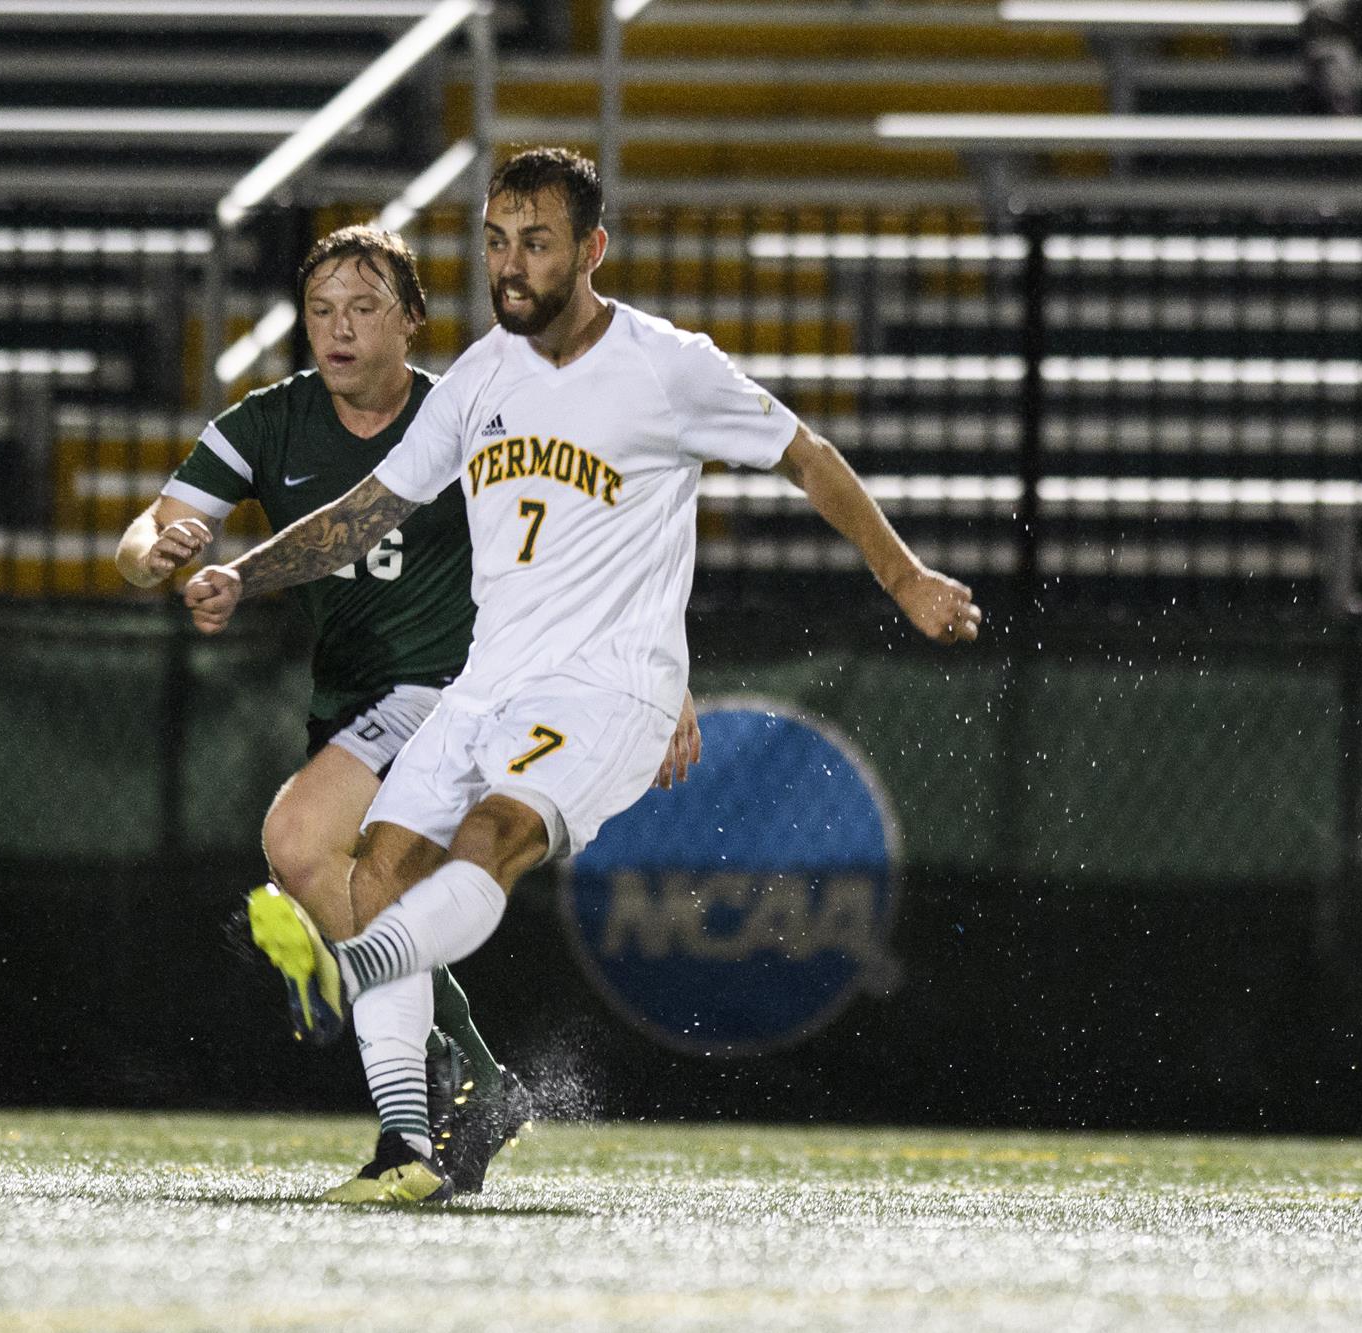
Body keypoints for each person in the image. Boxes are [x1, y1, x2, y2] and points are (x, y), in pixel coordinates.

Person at [185, 148, 982, 1205]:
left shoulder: (665, 365)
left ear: (591, 249)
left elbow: (802, 454)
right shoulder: (477, 378)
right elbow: (366, 514)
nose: (509, 266)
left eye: (537, 242)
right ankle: (406, 1148)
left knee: (492, 837)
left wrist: (905, 576)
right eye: (496, 241)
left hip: (607, 689)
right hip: (485, 683)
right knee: (376, 876)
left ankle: (359, 970)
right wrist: (243, 575)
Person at [117, 225, 543, 1198]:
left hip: (453, 692)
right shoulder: (267, 422)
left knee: (300, 836)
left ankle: (418, 1127)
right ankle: (475, 1078)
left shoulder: (467, 422)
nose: (337, 328)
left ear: (410, 320)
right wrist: (160, 549)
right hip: (352, 705)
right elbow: (146, 532)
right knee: (332, 878)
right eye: (319, 310)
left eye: (362, 307)